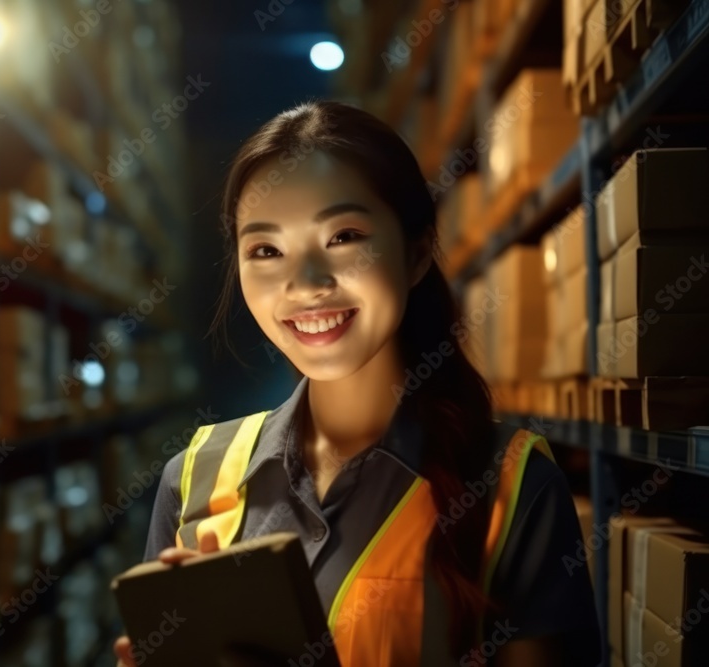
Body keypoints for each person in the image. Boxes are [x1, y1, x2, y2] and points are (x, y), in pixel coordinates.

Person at [113, 101, 602, 667]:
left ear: (417, 252)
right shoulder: (192, 476)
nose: (306, 284)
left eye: (344, 236)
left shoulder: (514, 487)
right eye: (266, 250)